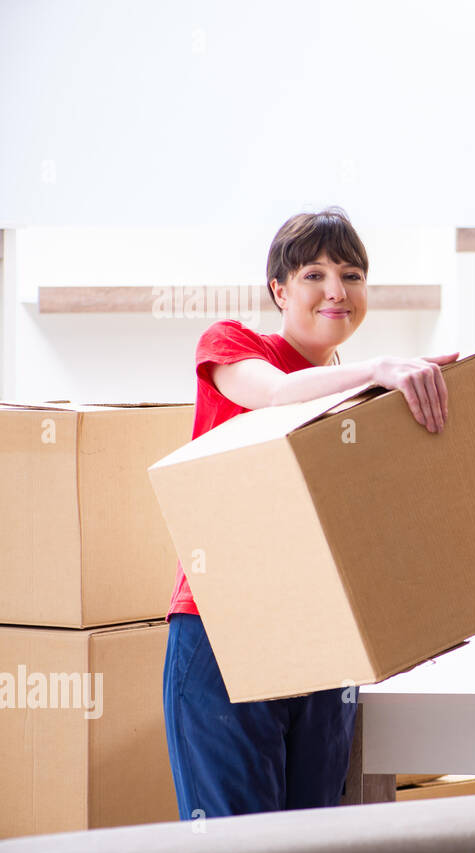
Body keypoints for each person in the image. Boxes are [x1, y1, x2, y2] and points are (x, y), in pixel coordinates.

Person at [162, 206, 459, 821]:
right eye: (314, 275)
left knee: (314, 840)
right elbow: (273, 396)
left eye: (351, 276)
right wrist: (378, 371)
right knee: (238, 846)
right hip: (225, 629)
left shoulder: (372, 400)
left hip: (326, 641)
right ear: (278, 288)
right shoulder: (234, 346)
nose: (336, 291)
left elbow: (375, 532)